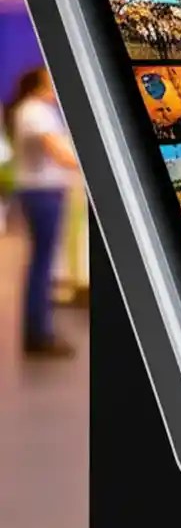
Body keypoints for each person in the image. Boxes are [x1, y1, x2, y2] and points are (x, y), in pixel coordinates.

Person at [5, 68, 78, 358]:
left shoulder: (34, 110)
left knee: (42, 261)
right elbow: (59, 152)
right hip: (42, 193)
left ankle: (39, 330)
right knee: (42, 263)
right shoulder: (35, 111)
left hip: (42, 192)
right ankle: (38, 334)